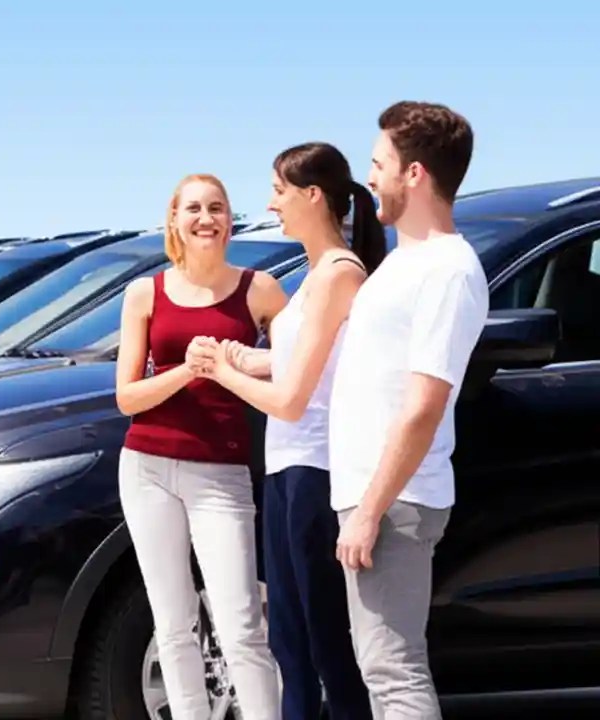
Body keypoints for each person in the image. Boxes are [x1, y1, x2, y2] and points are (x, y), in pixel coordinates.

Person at [187, 142, 385, 720]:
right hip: (286, 472)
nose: (272, 205)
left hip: (316, 474)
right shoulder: (312, 274)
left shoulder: (339, 275)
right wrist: (239, 358)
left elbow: (294, 400)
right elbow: (298, 363)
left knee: (325, 645)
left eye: (279, 191)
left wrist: (225, 372)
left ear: (312, 195)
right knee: (289, 644)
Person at [329, 102, 486, 718]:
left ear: (414, 174)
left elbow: (423, 405)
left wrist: (369, 511)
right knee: (382, 667)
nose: (370, 178)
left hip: (394, 500)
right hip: (377, 496)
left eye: (379, 164)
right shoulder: (405, 261)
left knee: (394, 672)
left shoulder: (449, 270)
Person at [115, 173, 288, 720]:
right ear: (174, 220)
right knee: (173, 622)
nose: (205, 218)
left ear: (230, 220)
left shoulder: (260, 290)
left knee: (241, 626)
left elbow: (295, 369)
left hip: (221, 474)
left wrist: (238, 363)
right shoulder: (145, 293)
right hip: (146, 468)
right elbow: (126, 397)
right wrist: (187, 371)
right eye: (193, 208)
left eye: (216, 207)